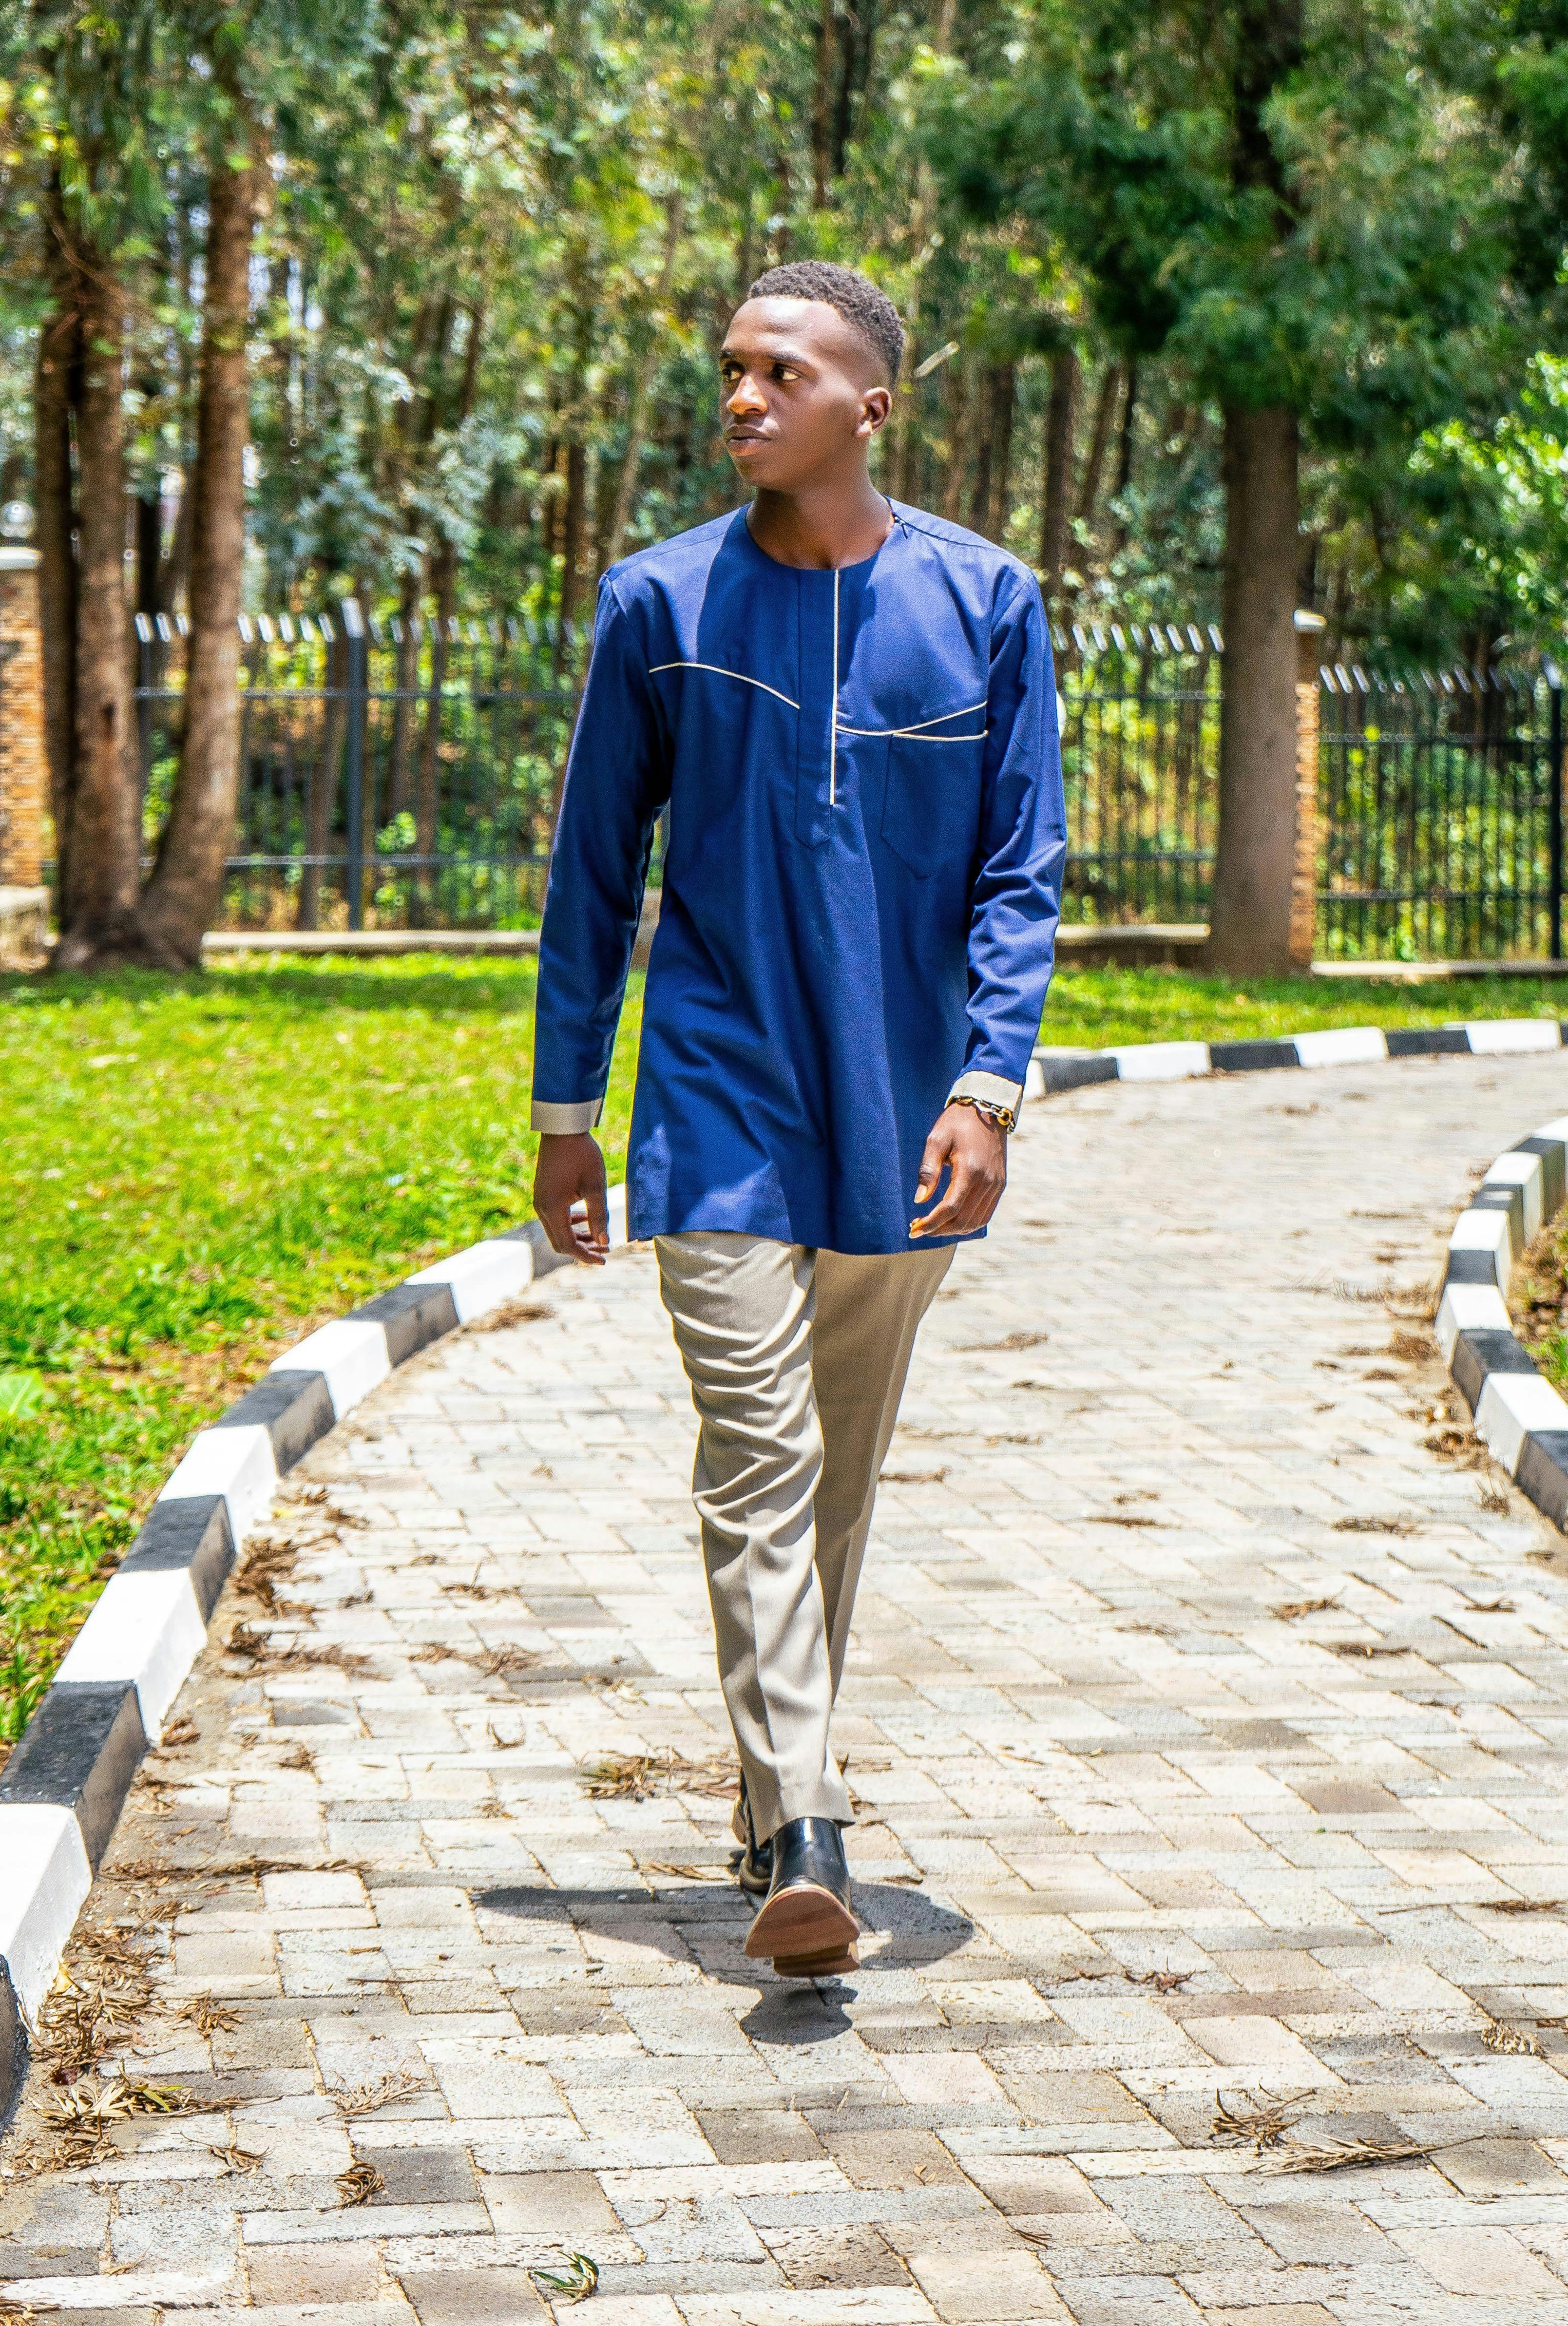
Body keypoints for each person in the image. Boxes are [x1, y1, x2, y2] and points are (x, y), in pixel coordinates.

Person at [531, 259, 1065, 1977]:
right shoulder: (660, 606)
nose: (743, 395)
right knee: (758, 1457)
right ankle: (810, 1826)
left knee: (835, 1477)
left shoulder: (984, 602)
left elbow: (1021, 869)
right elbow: (595, 876)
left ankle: (775, 1799)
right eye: (733, 369)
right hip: (715, 1093)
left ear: (870, 404)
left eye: (783, 371)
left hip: (907, 1111)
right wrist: (566, 1111)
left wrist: (989, 1085)